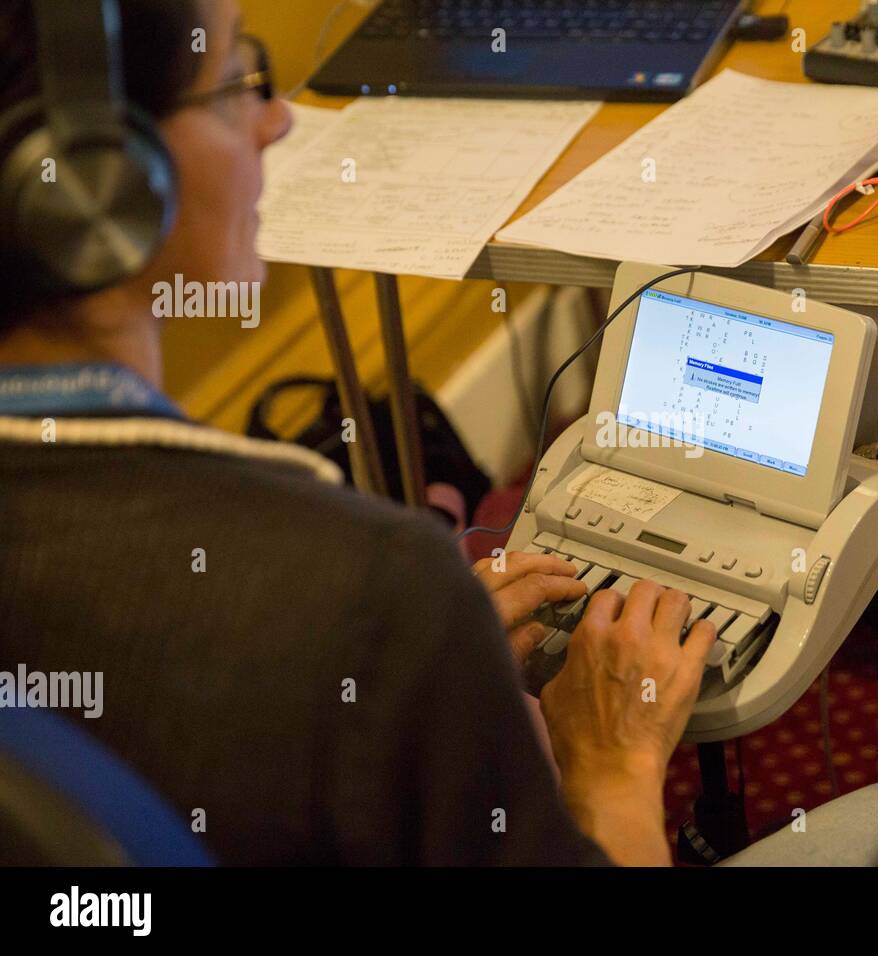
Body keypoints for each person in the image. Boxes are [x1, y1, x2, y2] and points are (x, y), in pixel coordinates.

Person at [0, 0, 715, 866]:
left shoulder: (365, 609)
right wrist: (614, 764)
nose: (276, 118)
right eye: (235, 80)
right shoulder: (371, 586)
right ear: (95, 177)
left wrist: (404, 676)